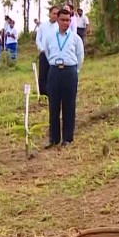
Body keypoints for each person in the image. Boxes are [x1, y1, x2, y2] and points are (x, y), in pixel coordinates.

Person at [42, 9, 84, 148]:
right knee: (53, 105)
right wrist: (55, 65)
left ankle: (67, 138)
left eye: (68, 20)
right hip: (54, 72)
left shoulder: (75, 38)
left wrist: (74, 71)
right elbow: (47, 53)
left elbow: (80, 56)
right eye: (63, 20)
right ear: (57, 20)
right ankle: (53, 138)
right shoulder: (50, 37)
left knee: (69, 105)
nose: (65, 23)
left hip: (70, 72)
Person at [37, 6, 60, 98]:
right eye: (54, 13)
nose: (55, 16)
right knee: (43, 73)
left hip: (55, 53)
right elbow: (38, 39)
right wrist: (42, 49)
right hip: (44, 53)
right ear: (50, 14)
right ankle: (43, 93)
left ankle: (53, 92)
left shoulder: (59, 26)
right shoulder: (43, 26)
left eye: (57, 14)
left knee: (54, 73)